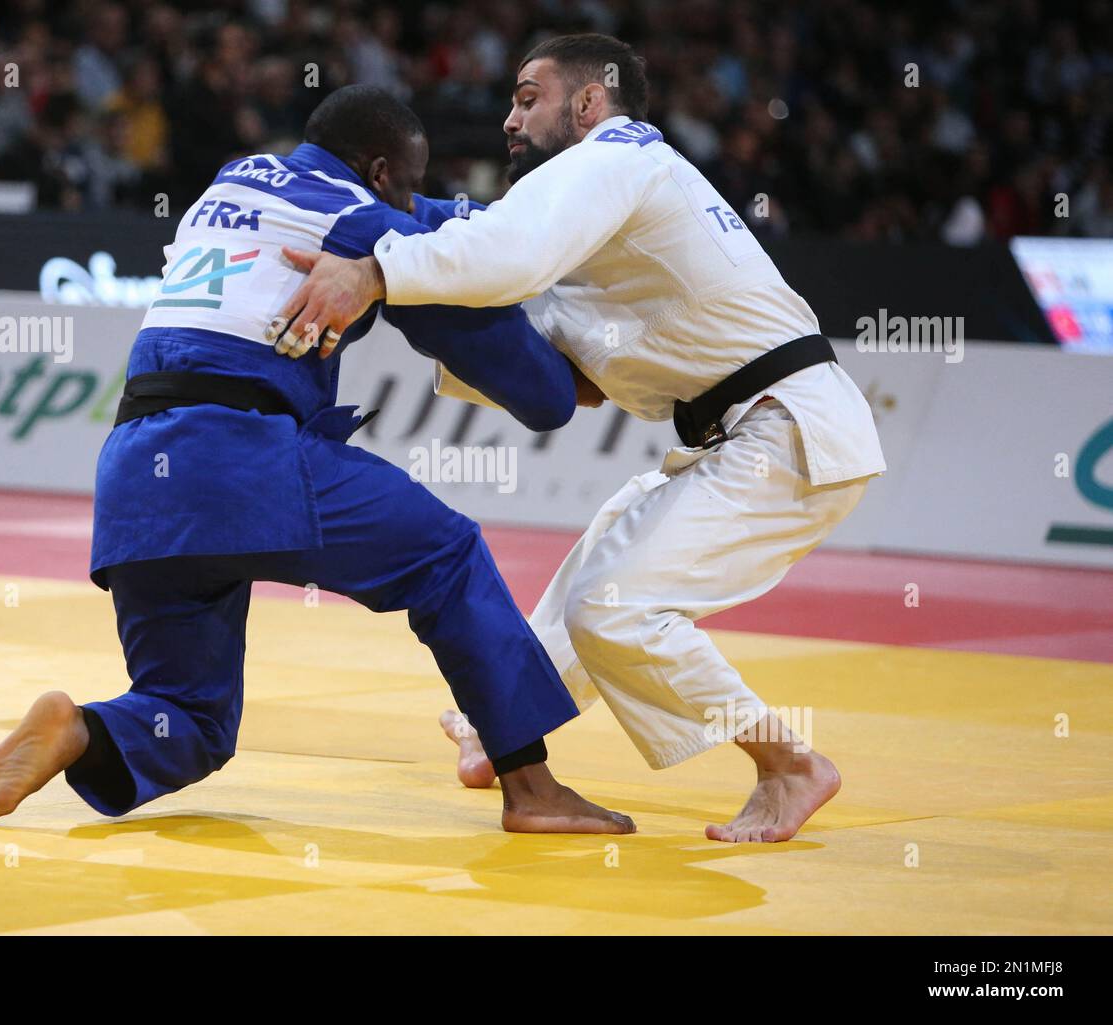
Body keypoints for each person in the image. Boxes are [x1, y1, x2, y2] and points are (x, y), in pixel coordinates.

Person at [0, 85, 634, 837]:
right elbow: (531, 387)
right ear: (381, 170)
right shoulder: (365, 222)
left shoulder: (233, 179)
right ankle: (532, 788)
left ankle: (77, 728)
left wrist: (461, 223)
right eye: (407, 183)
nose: (409, 201)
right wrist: (583, 375)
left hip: (134, 473)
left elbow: (433, 224)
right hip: (240, 457)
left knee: (191, 715)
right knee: (446, 556)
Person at [269, 35, 887, 843]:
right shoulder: (600, 213)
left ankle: (789, 763)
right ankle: (503, 725)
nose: (509, 118)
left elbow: (504, 257)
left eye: (529, 98)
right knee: (597, 570)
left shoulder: (618, 157)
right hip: (744, 432)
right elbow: (553, 358)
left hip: (789, 428)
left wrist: (377, 271)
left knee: (616, 607)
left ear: (590, 102)